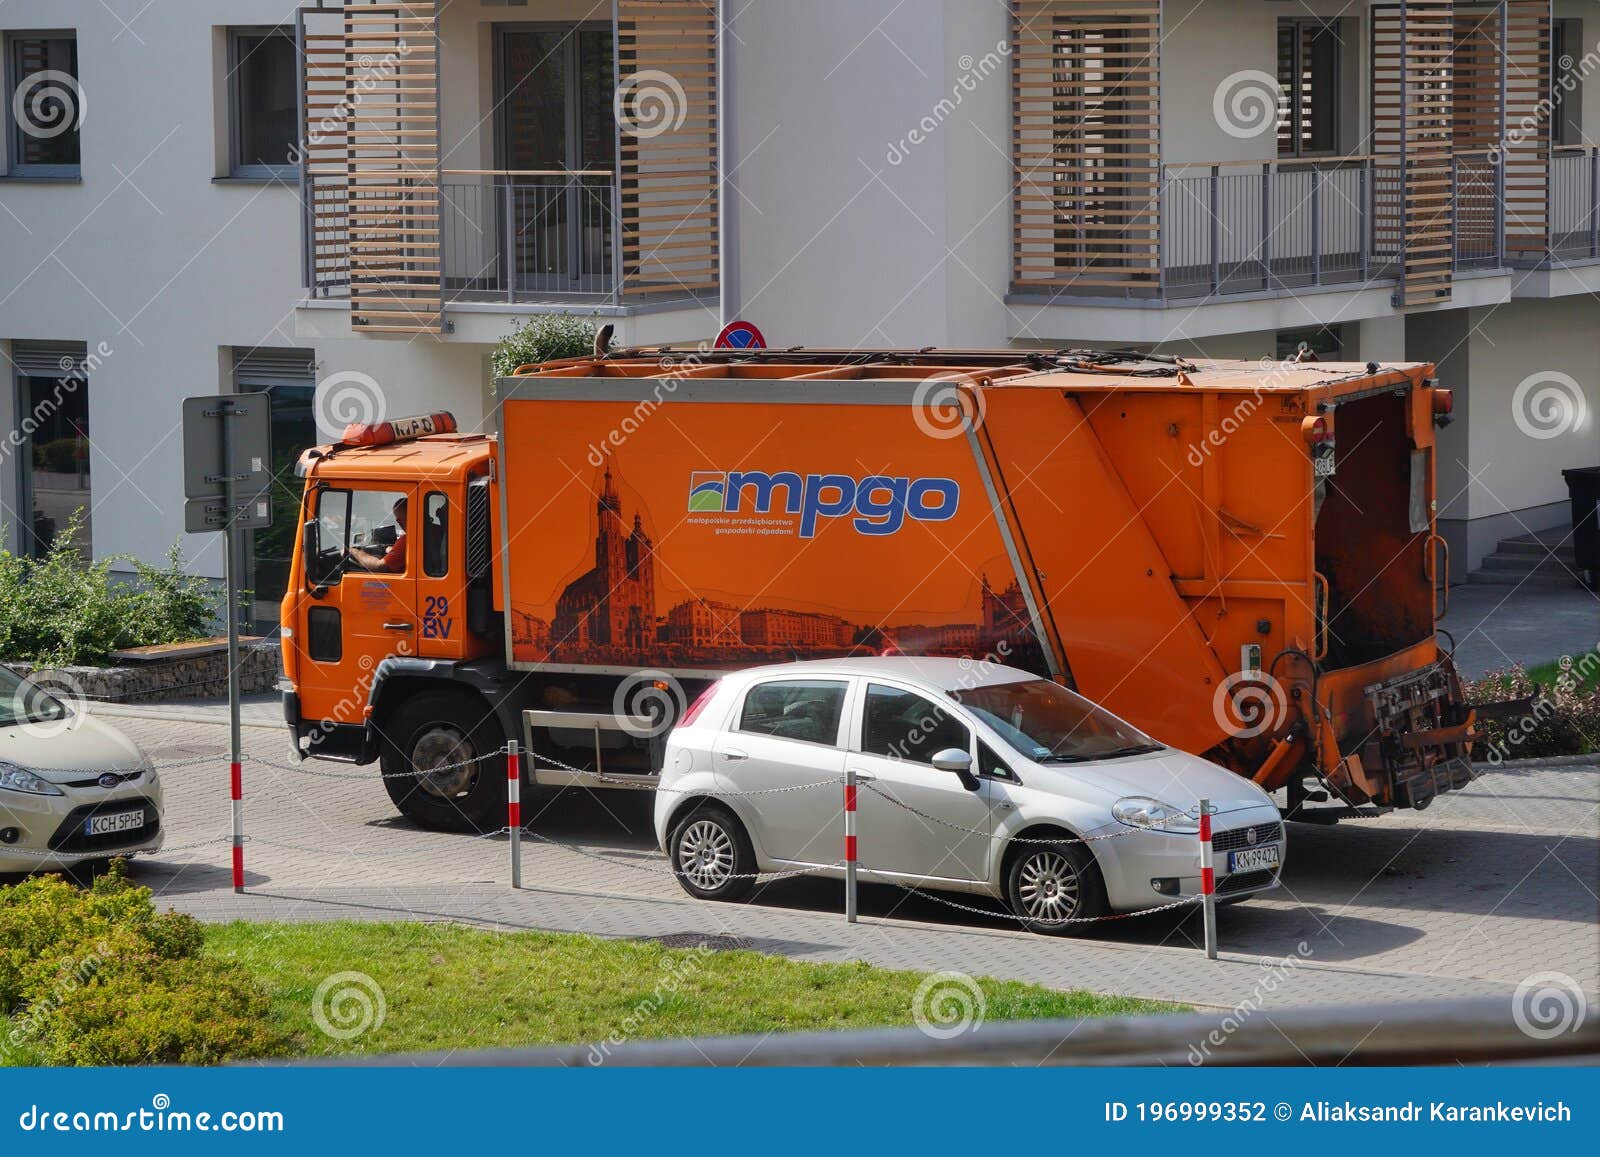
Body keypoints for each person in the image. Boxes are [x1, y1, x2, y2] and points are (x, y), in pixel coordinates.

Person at [349, 496, 407, 573]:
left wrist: (354, 552)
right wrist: (392, 550)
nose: (399, 523)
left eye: (400, 519)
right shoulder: (425, 534)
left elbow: (379, 567)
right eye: (397, 521)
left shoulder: (408, 541)